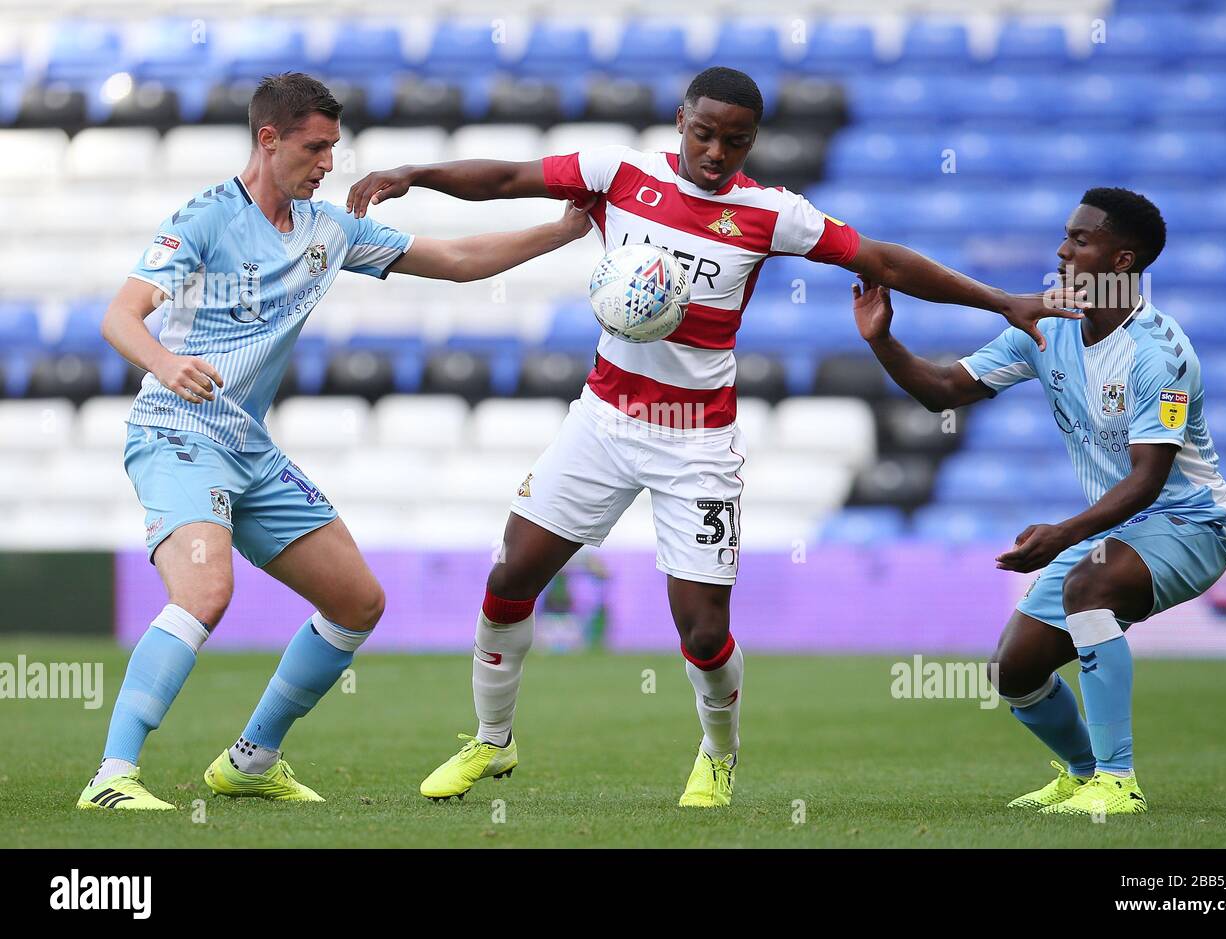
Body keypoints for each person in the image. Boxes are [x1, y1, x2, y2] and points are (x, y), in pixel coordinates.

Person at [347, 66, 1082, 808]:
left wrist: (1002, 300)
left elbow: (882, 260)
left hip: (695, 442)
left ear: (752, 141)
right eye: (704, 133)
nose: (716, 152)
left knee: (701, 631)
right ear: (679, 121)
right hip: (601, 420)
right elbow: (508, 176)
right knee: (509, 581)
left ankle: (718, 753)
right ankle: (492, 740)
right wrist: (415, 172)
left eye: (735, 140)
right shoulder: (620, 172)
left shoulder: (771, 214)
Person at [80, 72, 592, 810]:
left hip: (248, 447)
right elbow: (121, 316)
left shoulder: (329, 230)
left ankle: (252, 758)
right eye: (315, 149)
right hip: (177, 431)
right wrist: (166, 361)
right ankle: (112, 776)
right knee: (206, 590)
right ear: (268, 139)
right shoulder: (202, 219)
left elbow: (452, 262)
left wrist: (559, 231)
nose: (327, 164)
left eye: (333, 149)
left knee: (357, 601)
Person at [851, 187, 1226, 816]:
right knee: (1015, 671)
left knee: (1092, 587)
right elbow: (944, 391)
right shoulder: (1045, 325)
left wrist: (1063, 533)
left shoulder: (1162, 355)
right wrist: (882, 341)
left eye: (1081, 240)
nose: (1062, 249)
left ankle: (1119, 783)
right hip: (1118, 529)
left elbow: (1147, 480)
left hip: (1188, 524)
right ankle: (1084, 776)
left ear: (1121, 261)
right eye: (1067, 234)